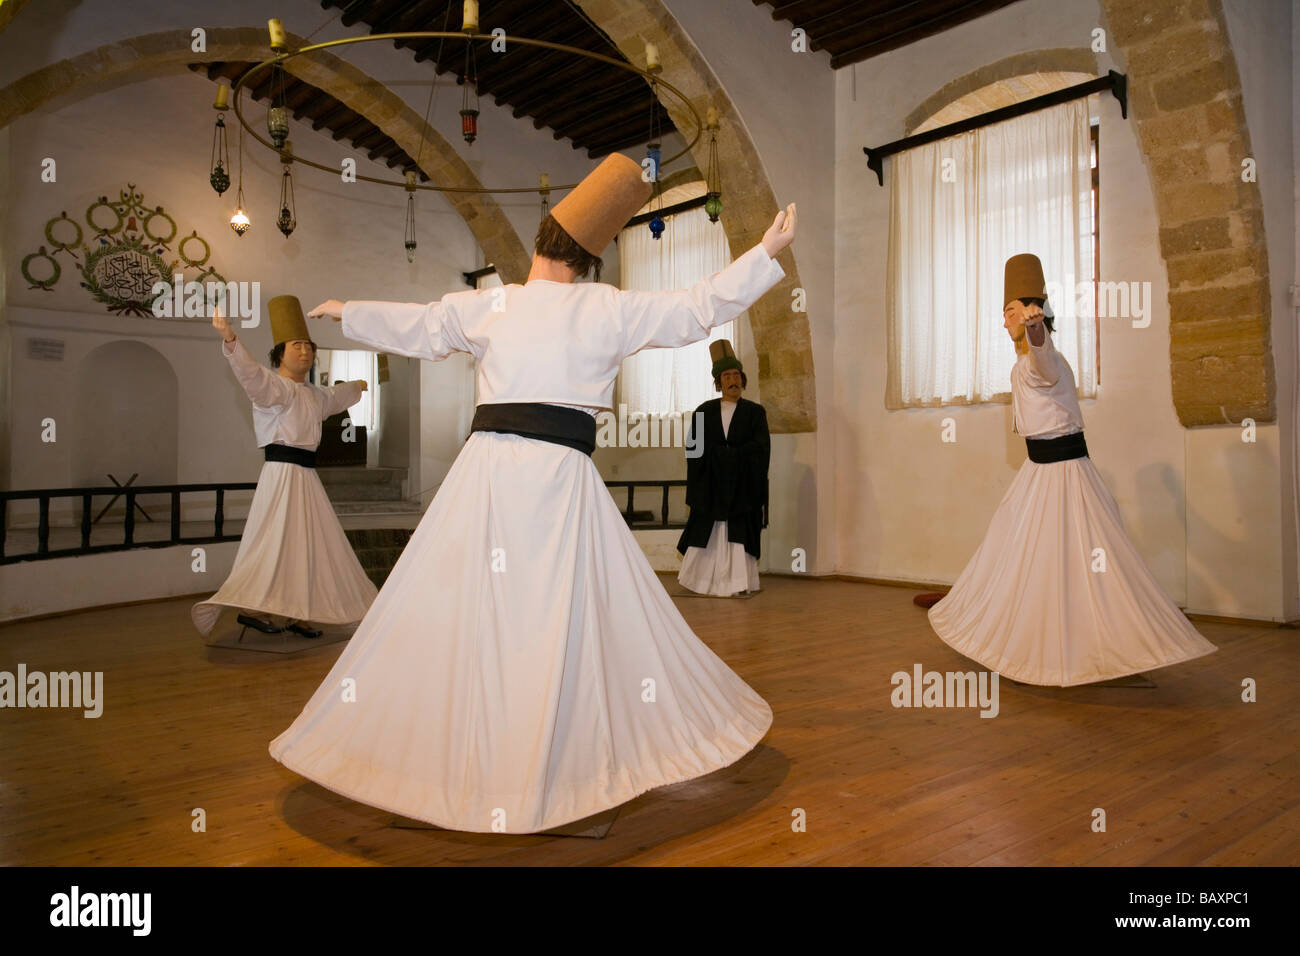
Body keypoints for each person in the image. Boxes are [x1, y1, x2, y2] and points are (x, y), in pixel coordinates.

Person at [269, 153, 796, 833]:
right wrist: (763, 253)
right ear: (591, 257)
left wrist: (350, 313)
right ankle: (553, 766)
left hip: (493, 473)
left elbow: (424, 325)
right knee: (559, 617)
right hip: (552, 478)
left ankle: (488, 762)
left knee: (473, 614)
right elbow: (696, 309)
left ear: (546, 243)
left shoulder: (499, 303)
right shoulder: (603, 307)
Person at [927, 253, 1217, 686]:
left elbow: (1041, 354)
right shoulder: (1020, 365)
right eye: (1004, 314)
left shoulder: (1047, 360)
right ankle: (1028, 640)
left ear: (1029, 311)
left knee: (1086, 564)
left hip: (1065, 477)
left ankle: (1114, 648)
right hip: (1038, 474)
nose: (1004, 321)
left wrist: (1035, 326)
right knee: (1020, 554)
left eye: (1010, 313)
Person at [192, 295, 378, 640]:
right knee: (273, 542)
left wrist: (359, 386)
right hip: (281, 477)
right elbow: (251, 377)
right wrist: (232, 341)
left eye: (308, 347)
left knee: (306, 546)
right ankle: (252, 608)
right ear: (280, 352)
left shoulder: (312, 394)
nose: (305, 352)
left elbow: (336, 396)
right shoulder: (274, 388)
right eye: (297, 346)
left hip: (307, 478)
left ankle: (299, 610)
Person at [676, 340, 770, 596]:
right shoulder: (703, 412)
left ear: (743, 379)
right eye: (727, 376)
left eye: (737, 375)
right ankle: (701, 583)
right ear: (719, 383)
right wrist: (717, 460)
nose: (733, 380)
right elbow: (694, 450)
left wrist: (735, 457)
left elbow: (761, 448)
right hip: (712, 485)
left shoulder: (755, 413)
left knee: (738, 532)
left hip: (742, 486)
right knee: (708, 530)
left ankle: (739, 583)